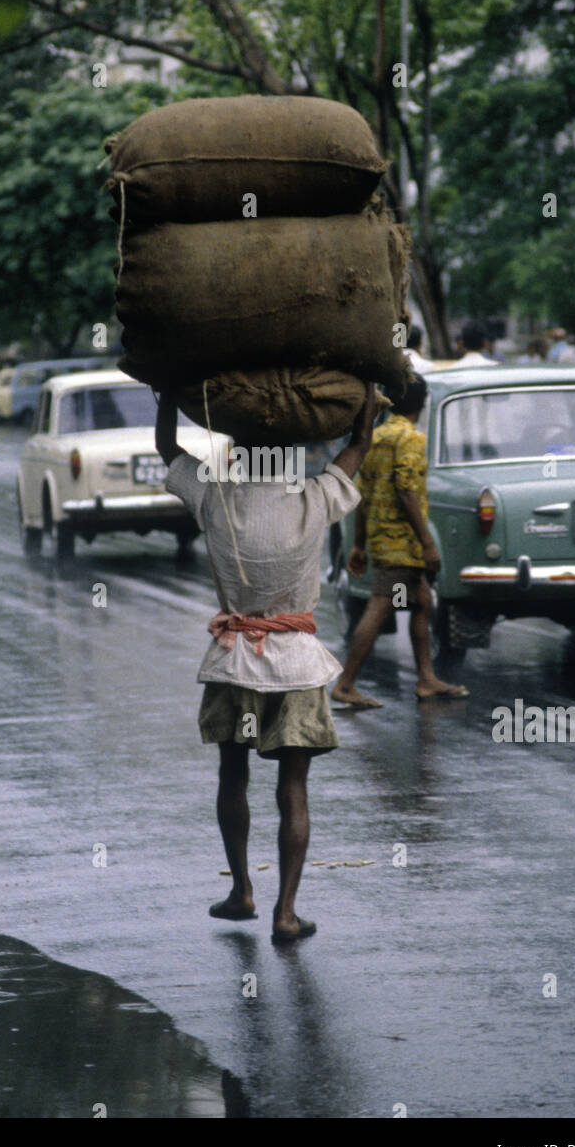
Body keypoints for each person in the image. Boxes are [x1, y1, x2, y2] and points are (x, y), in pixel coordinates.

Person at [155, 386, 377, 944]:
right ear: (287, 456)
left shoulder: (215, 497)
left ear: (237, 452)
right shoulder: (314, 497)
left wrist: (165, 395)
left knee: (234, 774)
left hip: (234, 661)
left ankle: (242, 893)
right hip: (298, 665)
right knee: (293, 789)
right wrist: (366, 409)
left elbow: (167, 447)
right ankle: (285, 911)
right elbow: (359, 447)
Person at [332, 375, 467, 708]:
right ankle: (346, 684)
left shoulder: (376, 437)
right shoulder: (410, 439)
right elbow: (407, 492)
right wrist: (428, 544)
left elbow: (362, 494)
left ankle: (426, 679)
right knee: (382, 604)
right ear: (422, 404)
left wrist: (359, 544)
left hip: (382, 539)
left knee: (420, 601)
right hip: (401, 544)